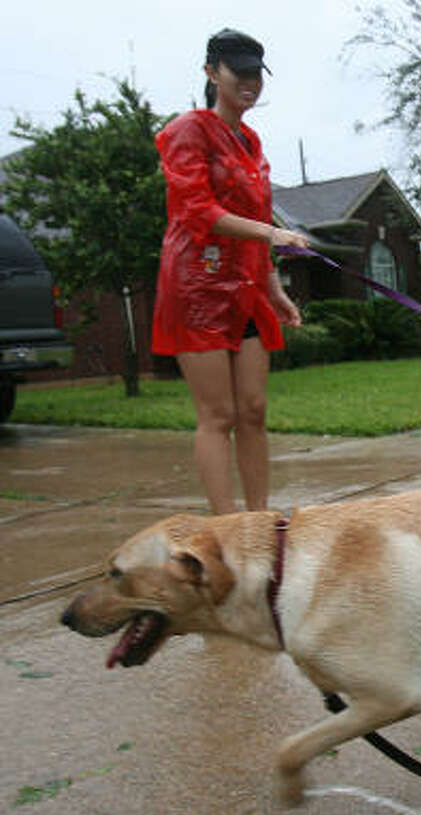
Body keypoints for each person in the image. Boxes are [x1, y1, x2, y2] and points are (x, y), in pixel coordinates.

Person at [152, 29, 308, 515]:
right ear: (211, 73)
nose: (249, 82)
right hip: (196, 288)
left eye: (256, 73)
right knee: (218, 415)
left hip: (246, 287)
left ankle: (257, 522)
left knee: (254, 411)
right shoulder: (188, 131)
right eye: (238, 71)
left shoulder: (251, 143)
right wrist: (271, 234)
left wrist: (274, 287)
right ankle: (226, 528)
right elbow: (197, 210)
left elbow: (257, 218)